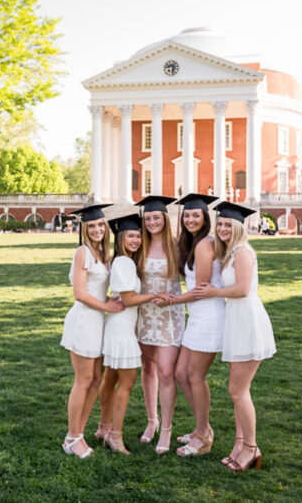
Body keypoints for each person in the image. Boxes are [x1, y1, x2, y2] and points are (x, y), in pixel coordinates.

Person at [193, 202, 276, 472]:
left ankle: (251, 448)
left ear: (239, 227)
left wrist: (212, 291)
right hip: (236, 322)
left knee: (237, 391)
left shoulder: (242, 252)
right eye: (220, 224)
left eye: (228, 224)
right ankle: (240, 445)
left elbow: (241, 289)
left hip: (247, 321)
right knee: (239, 391)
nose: (223, 228)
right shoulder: (229, 253)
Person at [60, 204, 124, 459]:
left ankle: (79, 433)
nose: (97, 229)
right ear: (84, 228)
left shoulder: (102, 253)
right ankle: (71, 437)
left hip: (98, 321)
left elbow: (96, 289)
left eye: (100, 225)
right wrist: (107, 304)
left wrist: (111, 301)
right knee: (84, 380)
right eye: (92, 226)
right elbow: (80, 293)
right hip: (85, 320)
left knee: (96, 379)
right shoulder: (83, 252)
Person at [99, 213, 166, 455]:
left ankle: (103, 428)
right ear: (120, 238)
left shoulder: (123, 261)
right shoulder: (124, 262)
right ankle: (115, 436)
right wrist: (155, 295)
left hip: (119, 325)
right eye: (131, 236)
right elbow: (127, 299)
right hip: (121, 329)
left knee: (110, 379)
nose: (136, 240)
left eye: (139, 236)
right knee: (126, 383)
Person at [170, 193, 223, 457]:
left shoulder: (204, 244)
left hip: (209, 315)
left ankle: (203, 436)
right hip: (197, 316)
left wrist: (173, 300)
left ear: (205, 219)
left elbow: (201, 288)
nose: (190, 219)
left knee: (195, 376)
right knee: (181, 374)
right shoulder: (190, 243)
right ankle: (203, 428)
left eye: (195, 215)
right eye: (187, 215)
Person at [133, 196, 185, 454]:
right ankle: (152, 420)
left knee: (166, 372)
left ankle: (167, 428)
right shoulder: (138, 245)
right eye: (148, 218)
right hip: (144, 314)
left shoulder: (177, 246)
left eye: (156, 217)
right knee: (148, 367)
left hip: (169, 316)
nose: (152, 222)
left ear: (165, 219)